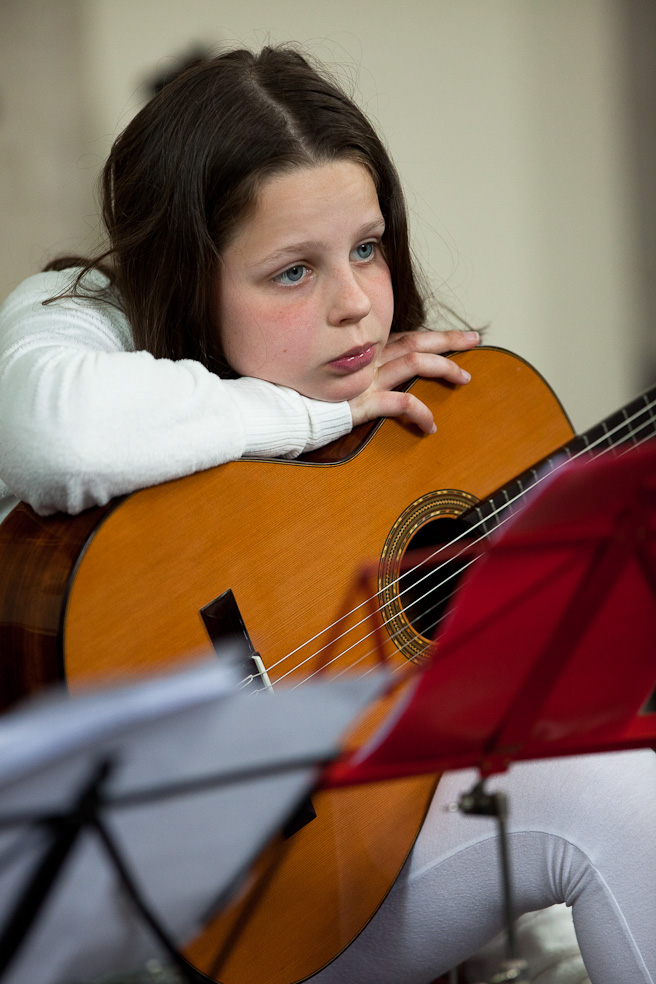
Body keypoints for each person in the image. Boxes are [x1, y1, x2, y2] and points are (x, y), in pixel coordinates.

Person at [0, 46, 653, 984]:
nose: (357, 305)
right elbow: (54, 436)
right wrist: (316, 414)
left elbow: (506, 755)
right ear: (188, 277)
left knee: (628, 784)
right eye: (292, 273)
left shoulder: (424, 426)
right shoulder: (82, 320)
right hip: (174, 919)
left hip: (357, 870)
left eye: (367, 248)